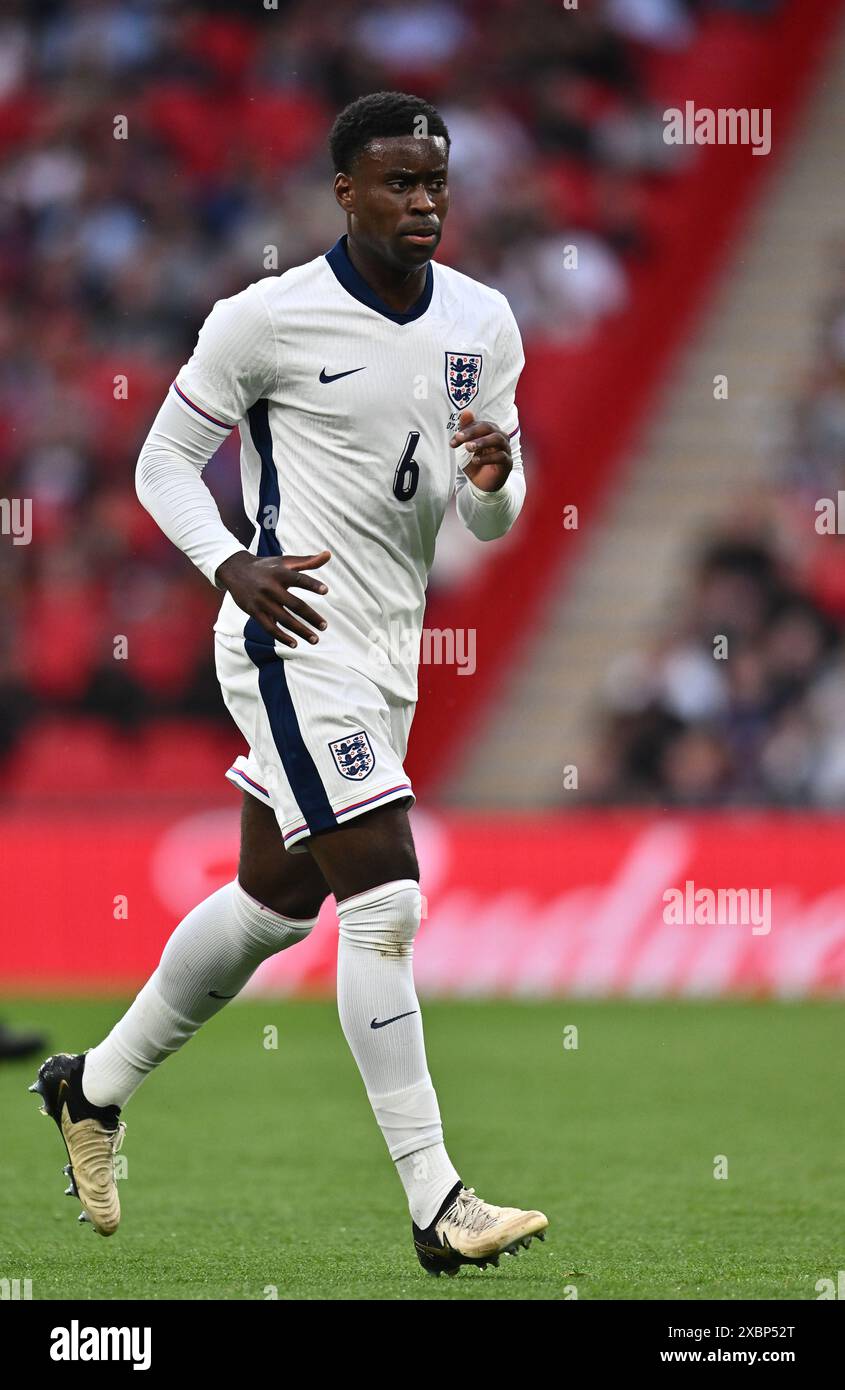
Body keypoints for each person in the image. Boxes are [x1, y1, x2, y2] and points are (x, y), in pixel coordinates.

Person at [30, 90, 547, 1277]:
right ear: (343, 193)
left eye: (435, 181)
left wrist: (496, 478)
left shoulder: (484, 320)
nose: (423, 201)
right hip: (288, 632)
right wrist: (231, 565)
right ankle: (437, 1198)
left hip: (386, 647)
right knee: (386, 899)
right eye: (397, 183)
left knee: (273, 899)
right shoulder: (266, 318)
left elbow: (488, 516)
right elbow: (160, 462)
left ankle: (91, 1088)